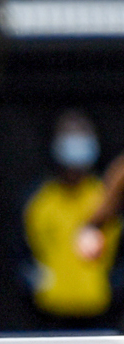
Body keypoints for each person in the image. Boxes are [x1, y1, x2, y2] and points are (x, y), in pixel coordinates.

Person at [23, 110, 122, 328]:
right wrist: (34, 284)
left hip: (102, 312)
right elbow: (20, 252)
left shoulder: (106, 196)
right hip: (49, 313)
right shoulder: (40, 200)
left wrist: (114, 285)